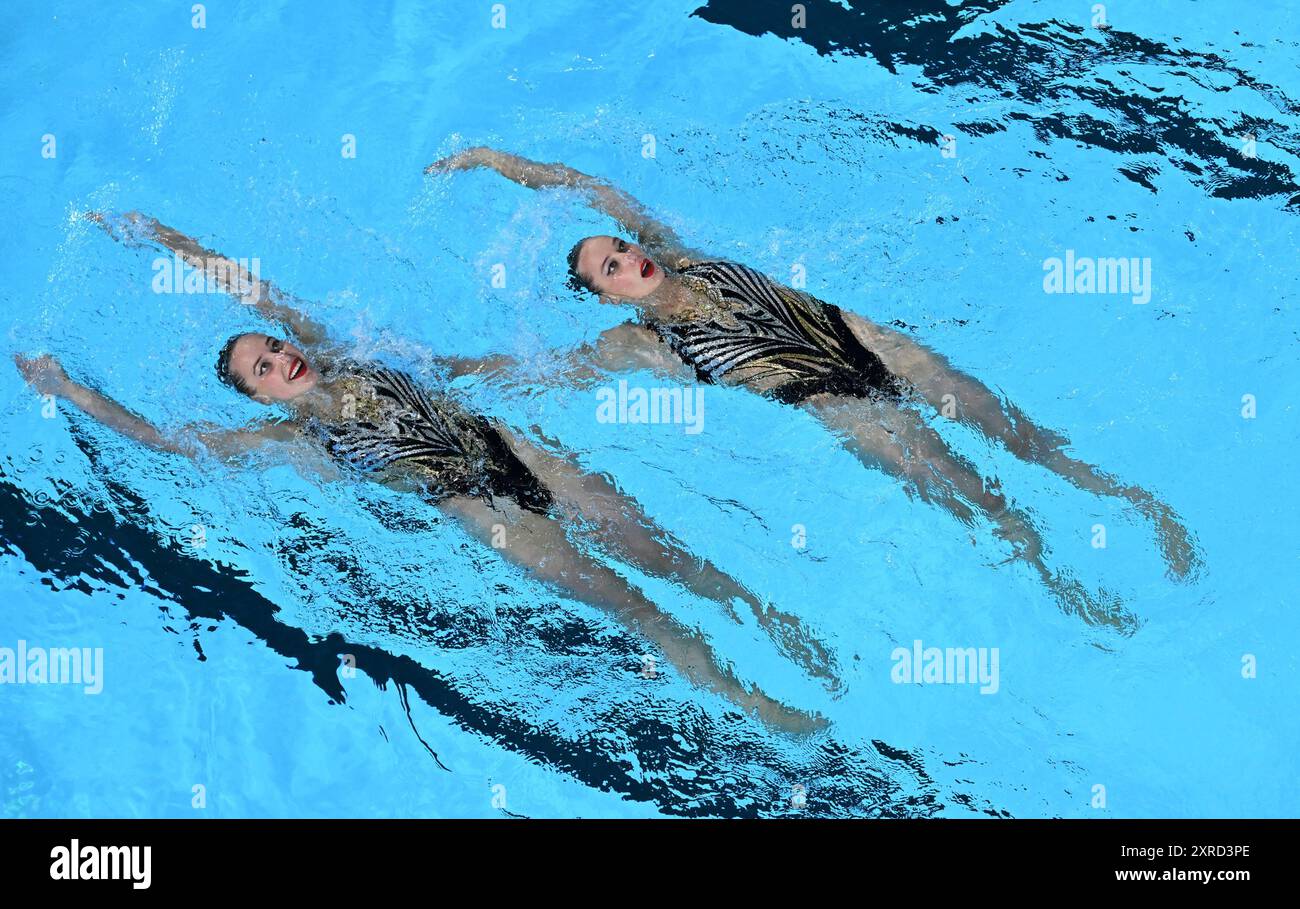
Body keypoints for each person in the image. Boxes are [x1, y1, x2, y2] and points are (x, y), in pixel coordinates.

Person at [13, 211, 833, 734]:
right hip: (483, 511)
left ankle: (768, 616)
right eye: (263, 368)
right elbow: (162, 440)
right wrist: (67, 388)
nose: (280, 358)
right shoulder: (294, 441)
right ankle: (755, 704)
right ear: (258, 395)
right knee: (633, 606)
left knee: (670, 556)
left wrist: (166, 240)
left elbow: (248, 284)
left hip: (524, 454)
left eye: (270, 347)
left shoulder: (336, 348)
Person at [427, 147, 1203, 631]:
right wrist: (454, 369)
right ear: (606, 297)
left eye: (622, 249)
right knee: (972, 493)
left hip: (868, 340)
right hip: (842, 407)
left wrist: (495, 160)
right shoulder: (638, 344)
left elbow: (584, 182)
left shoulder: (675, 250)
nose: (630, 259)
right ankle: (1057, 581)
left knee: (1020, 437)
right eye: (610, 269)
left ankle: (1136, 503)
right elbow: (537, 372)